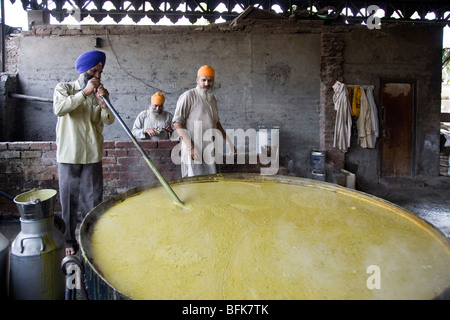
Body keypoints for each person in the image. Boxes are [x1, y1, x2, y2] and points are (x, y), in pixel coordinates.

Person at [53, 50, 115, 256]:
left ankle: (91, 237)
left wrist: (104, 102)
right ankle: (69, 240)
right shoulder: (65, 88)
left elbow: (108, 120)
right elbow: (60, 109)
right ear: (83, 71)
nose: (97, 76)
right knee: (69, 201)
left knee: (93, 200)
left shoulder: (99, 95)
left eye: (100, 72)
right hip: (69, 155)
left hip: (92, 155)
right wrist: (85, 93)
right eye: (94, 71)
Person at [173, 65, 235, 177]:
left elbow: (217, 123)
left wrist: (229, 143)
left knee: (210, 182)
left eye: (210, 80)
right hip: (193, 148)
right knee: (194, 183)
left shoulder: (212, 99)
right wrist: (191, 147)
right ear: (197, 80)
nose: (207, 83)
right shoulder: (188, 96)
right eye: (203, 80)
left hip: (210, 148)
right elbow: (177, 123)